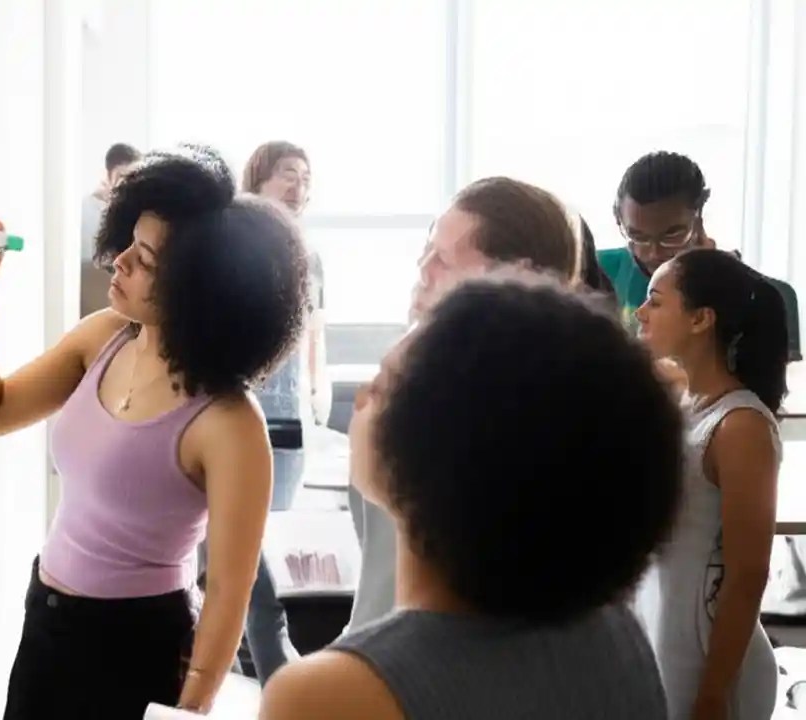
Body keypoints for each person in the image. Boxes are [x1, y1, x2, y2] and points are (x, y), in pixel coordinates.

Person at [0, 144, 309, 717]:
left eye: (145, 260)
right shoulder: (103, 337)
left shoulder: (229, 423)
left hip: (137, 642)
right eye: (128, 244)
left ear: (198, 289)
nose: (119, 262)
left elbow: (227, 592)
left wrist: (189, 707)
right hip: (47, 617)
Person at [261, 271, 681, 719]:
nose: (362, 397)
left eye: (382, 385)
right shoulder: (617, 632)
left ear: (442, 452)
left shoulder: (330, 694)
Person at [346, 177, 581, 633]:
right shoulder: (413, 370)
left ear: (517, 274)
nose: (423, 268)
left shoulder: (534, 414)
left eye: (444, 259)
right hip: (380, 642)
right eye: (426, 250)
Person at [635, 248, 788, 719]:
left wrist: (714, 692)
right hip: (665, 635)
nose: (640, 312)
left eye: (655, 301)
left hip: (709, 658)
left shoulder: (740, 426)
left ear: (701, 319)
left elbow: (747, 576)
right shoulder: (683, 403)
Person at [200, 140, 328, 686]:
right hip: (228, 420)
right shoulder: (229, 241)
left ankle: (267, 689)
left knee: (267, 575)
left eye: (305, 177)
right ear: (260, 177)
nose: (298, 186)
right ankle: (220, 682)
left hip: (289, 429)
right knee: (221, 569)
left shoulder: (311, 255)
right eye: (287, 175)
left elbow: (314, 335)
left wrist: (318, 398)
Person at [600, 151, 801, 360]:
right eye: (636, 236)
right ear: (618, 218)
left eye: (672, 234)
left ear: (699, 216)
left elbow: (774, 387)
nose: (653, 253)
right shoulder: (595, 272)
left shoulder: (760, 297)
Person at [80, 142, 142, 317]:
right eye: (123, 177)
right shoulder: (84, 213)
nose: (129, 186)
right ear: (106, 178)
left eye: (136, 178)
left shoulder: (134, 216)